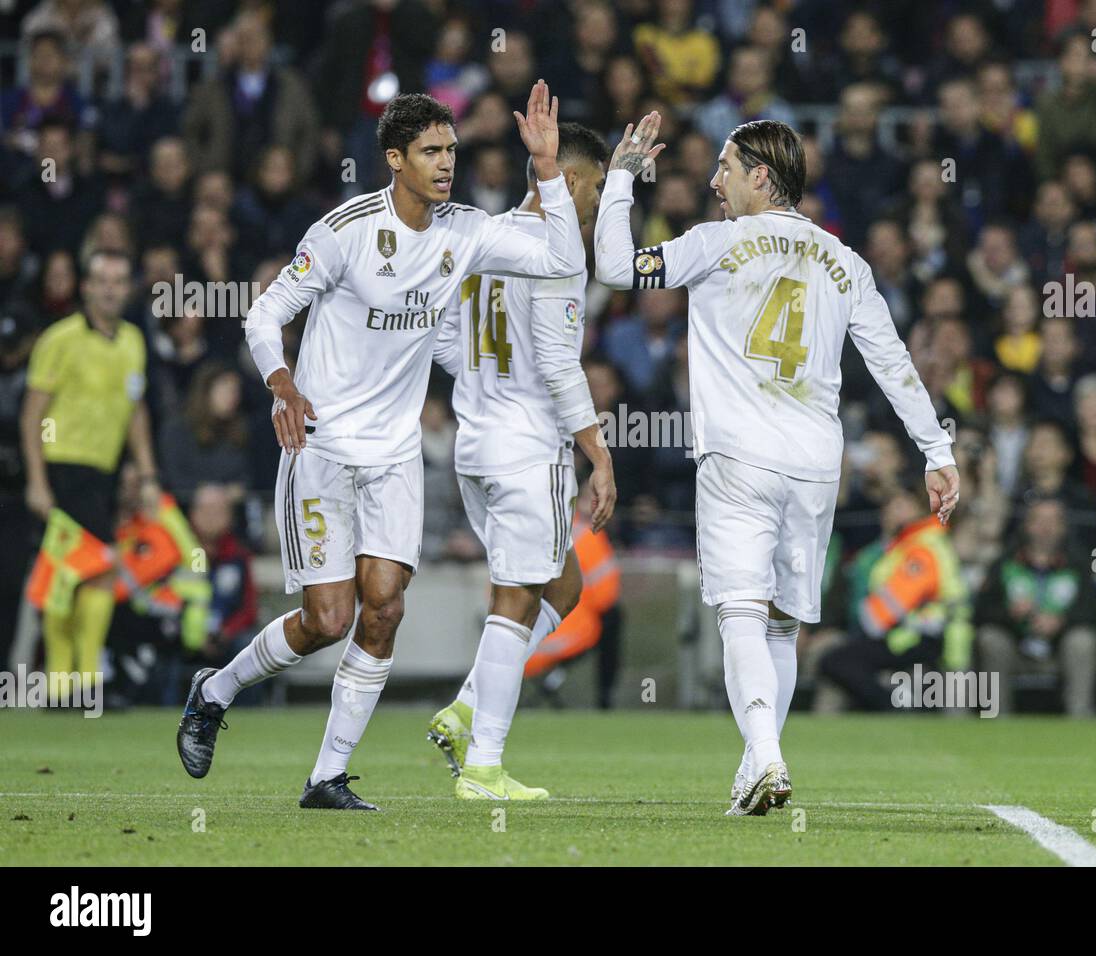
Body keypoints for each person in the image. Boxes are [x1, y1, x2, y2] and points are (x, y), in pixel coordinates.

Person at [176, 84, 586, 811]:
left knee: (385, 608)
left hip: (395, 456)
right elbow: (266, 312)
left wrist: (548, 169)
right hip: (323, 446)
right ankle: (216, 689)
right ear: (394, 158)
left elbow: (560, 256)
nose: (445, 164)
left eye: (452, 150)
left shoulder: (466, 230)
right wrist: (281, 385)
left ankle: (326, 777)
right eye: (430, 152)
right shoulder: (345, 231)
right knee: (327, 621)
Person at [594, 115, 958, 814]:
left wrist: (619, 180)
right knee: (784, 622)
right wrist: (935, 452)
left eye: (725, 167)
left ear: (762, 177)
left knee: (738, 610)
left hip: (739, 455)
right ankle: (754, 769)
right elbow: (892, 360)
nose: (713, 180)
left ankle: (765, 753)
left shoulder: (715, 243)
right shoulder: (843, 259)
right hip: (817, 465)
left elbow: (614, 268)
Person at [425, 123, 615, 800]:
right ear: (570, 179)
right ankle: (483, 766)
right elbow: (562, 363)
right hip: (527, 446)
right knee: (517, 594)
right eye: (594, 184)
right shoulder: (560, 251)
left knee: (561, 589)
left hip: (476, 446)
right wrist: (597, 449)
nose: (593, 201)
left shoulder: (483, 234)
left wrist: (480, 377)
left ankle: (468, 706)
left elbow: (442, 331)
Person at [20, 249, 159, 703]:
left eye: (119, 280)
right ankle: (80, 681)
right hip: (64, 466)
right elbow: (33, 414)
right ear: (86, 287)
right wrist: (37, 480)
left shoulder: (133, 341)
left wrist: (146, 470)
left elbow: (136, 409)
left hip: (103, 471)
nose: (110, 288)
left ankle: (68, 684)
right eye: (102, 280)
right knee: (86, 571)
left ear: (128, 287)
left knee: (74, 573)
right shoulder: (60, 339)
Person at [816, 486, 971, 712]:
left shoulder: (922, 548)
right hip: (905, 635)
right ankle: (892, 702)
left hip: (919, 637)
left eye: (903, 506)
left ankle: (895, 705)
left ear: (919, 510)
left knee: (835, 661)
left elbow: (881, 614)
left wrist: (868, 614)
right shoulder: (907, 546)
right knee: (838, 660)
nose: (895, 513)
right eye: (890, 508)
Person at [975, 496, 1096, 717]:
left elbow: (1094, 611)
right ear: (1027, 526)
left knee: (1082, 640)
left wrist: (1061, 621)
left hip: (1060, 646)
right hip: (1015, 642)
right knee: (990, 638)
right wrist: (1011, 614)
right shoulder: (1005, 562)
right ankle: (996, 717)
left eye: (1053, 521)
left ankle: (1080, 717)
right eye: (1039, 520)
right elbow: (981, 611)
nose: (1046, 528)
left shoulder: (1079, 563)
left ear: (1063, 528)